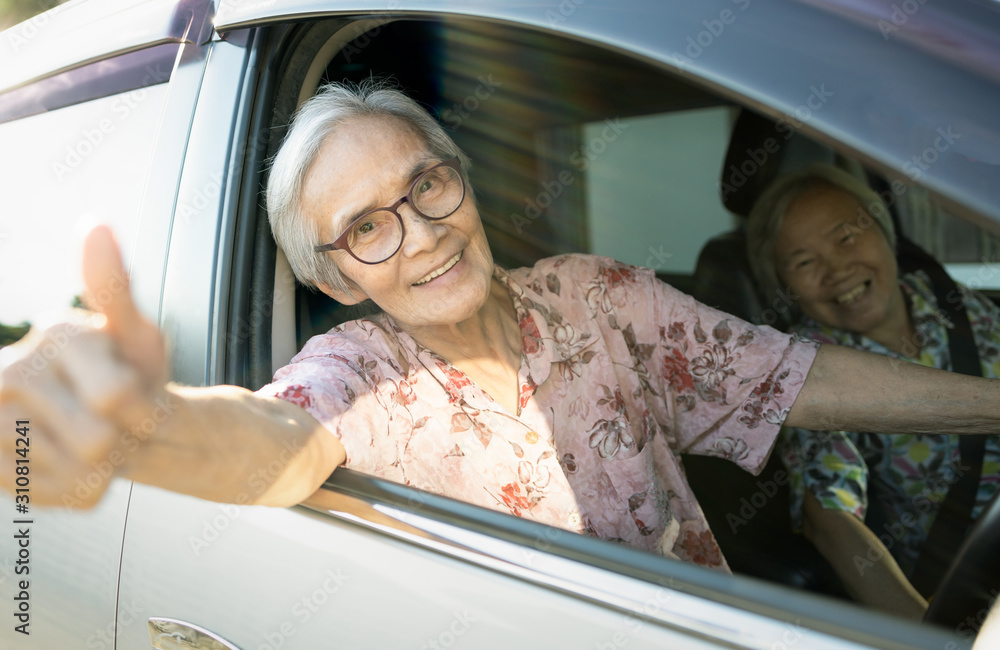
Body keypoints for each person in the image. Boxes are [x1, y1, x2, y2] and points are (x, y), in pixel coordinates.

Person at [1, 82, 998, 574]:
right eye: (364, 227)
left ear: (461, 179)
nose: (422, 235)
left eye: (426, 182)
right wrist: (145, 430)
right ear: (335, 277)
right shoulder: (358, 368)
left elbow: (789, 377)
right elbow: (275, 440)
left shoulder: (592, 293)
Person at [746, 163, 1000, 618]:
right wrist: (924, 634)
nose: (837, 268)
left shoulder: (944, 298)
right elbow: (830, 517)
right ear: (784, 287)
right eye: (804, 262)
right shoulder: (806, 369)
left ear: (885, 233)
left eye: (847, 237)